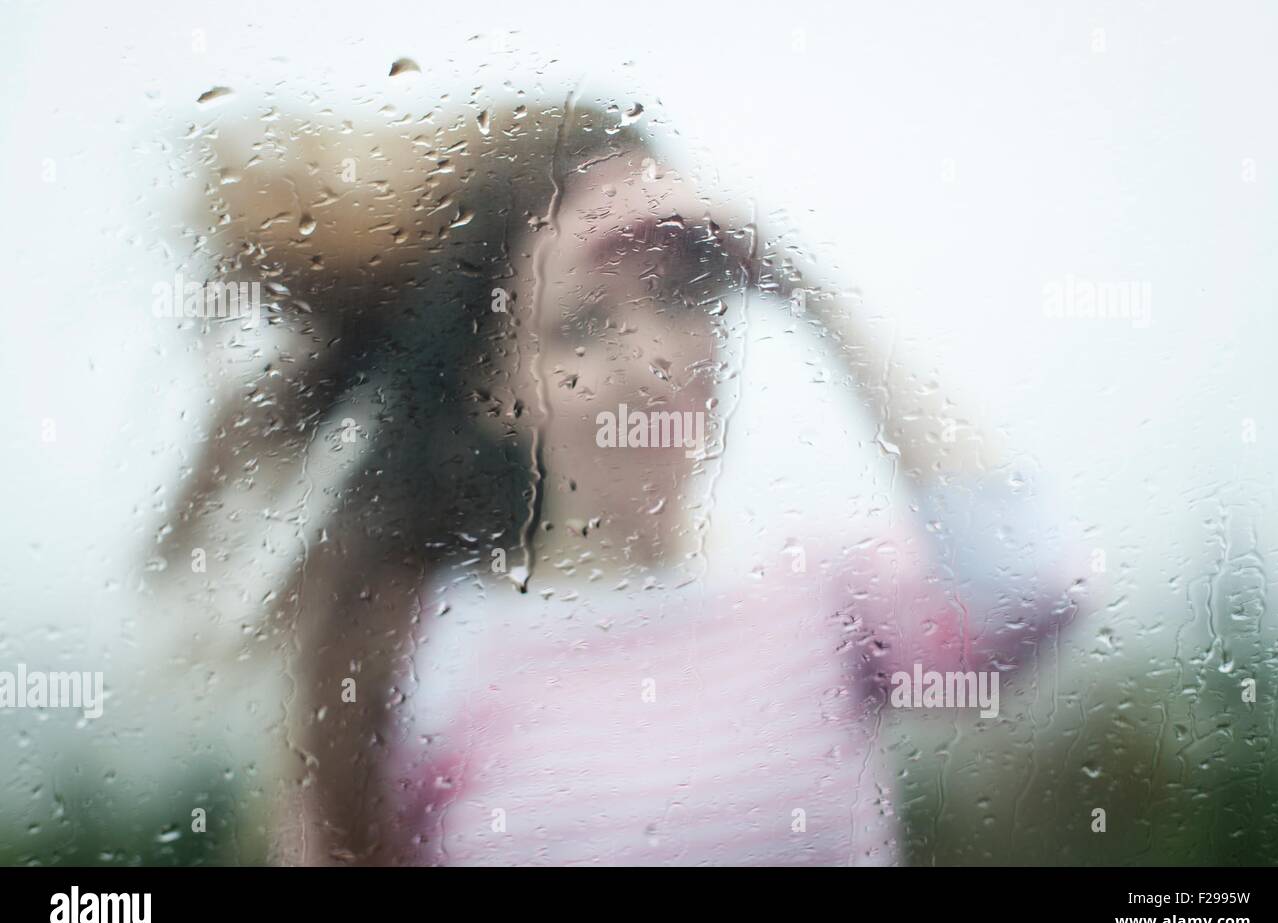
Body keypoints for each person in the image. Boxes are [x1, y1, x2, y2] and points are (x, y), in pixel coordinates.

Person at [162, 94, 1084, 865]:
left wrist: (808, 289)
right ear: (495, 390)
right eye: (584, 326)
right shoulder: (425, 658)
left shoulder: (828, 598)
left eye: (685, 296)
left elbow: (1035, 587)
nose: (655, 359)